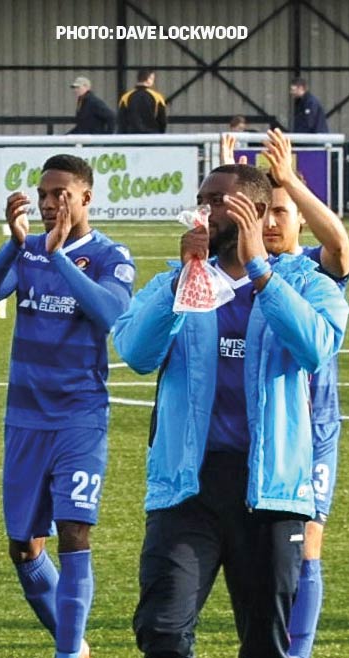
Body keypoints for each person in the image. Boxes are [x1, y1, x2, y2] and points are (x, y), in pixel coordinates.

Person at [114, 163, 347, 658]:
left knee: (266, 644)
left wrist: (261, 271)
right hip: (188, 487)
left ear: (257, 212)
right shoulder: (179, 281)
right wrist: (183, 280)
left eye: (217, 201)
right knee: (162, 630)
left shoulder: (307, 282)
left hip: (270, 492)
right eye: (202, 200)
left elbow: (317, 347)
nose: (204, 212)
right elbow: (134, 351)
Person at [0, 154, 135, 658]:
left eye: (59, 194)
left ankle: (65, 653)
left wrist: (60, 256)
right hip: (25, 417)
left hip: (80, 416)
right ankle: (76, 644)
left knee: (75, 533)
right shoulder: (29, 250)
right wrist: (14, 246)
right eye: (42, 194)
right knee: (23, 547)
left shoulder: (110, 254)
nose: (47, 203)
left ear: (86, 197)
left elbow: (112, 314)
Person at [221, 129, 349, 658]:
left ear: (297, 216)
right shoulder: (237, 268)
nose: (270, 222)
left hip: (311, 429)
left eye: (280, 212)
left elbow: (343, 247)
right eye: (263, 212)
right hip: (252, 428)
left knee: (307, 545)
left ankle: (297, 652)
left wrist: (290, 181)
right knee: (253, 553)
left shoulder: (316, 270)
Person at [117, 68, 167, 134]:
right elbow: (162, 121)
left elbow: (122, 121)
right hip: (152, 138)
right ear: (149, 79)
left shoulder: (125, 97)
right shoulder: (157, 97)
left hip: (131, 138)